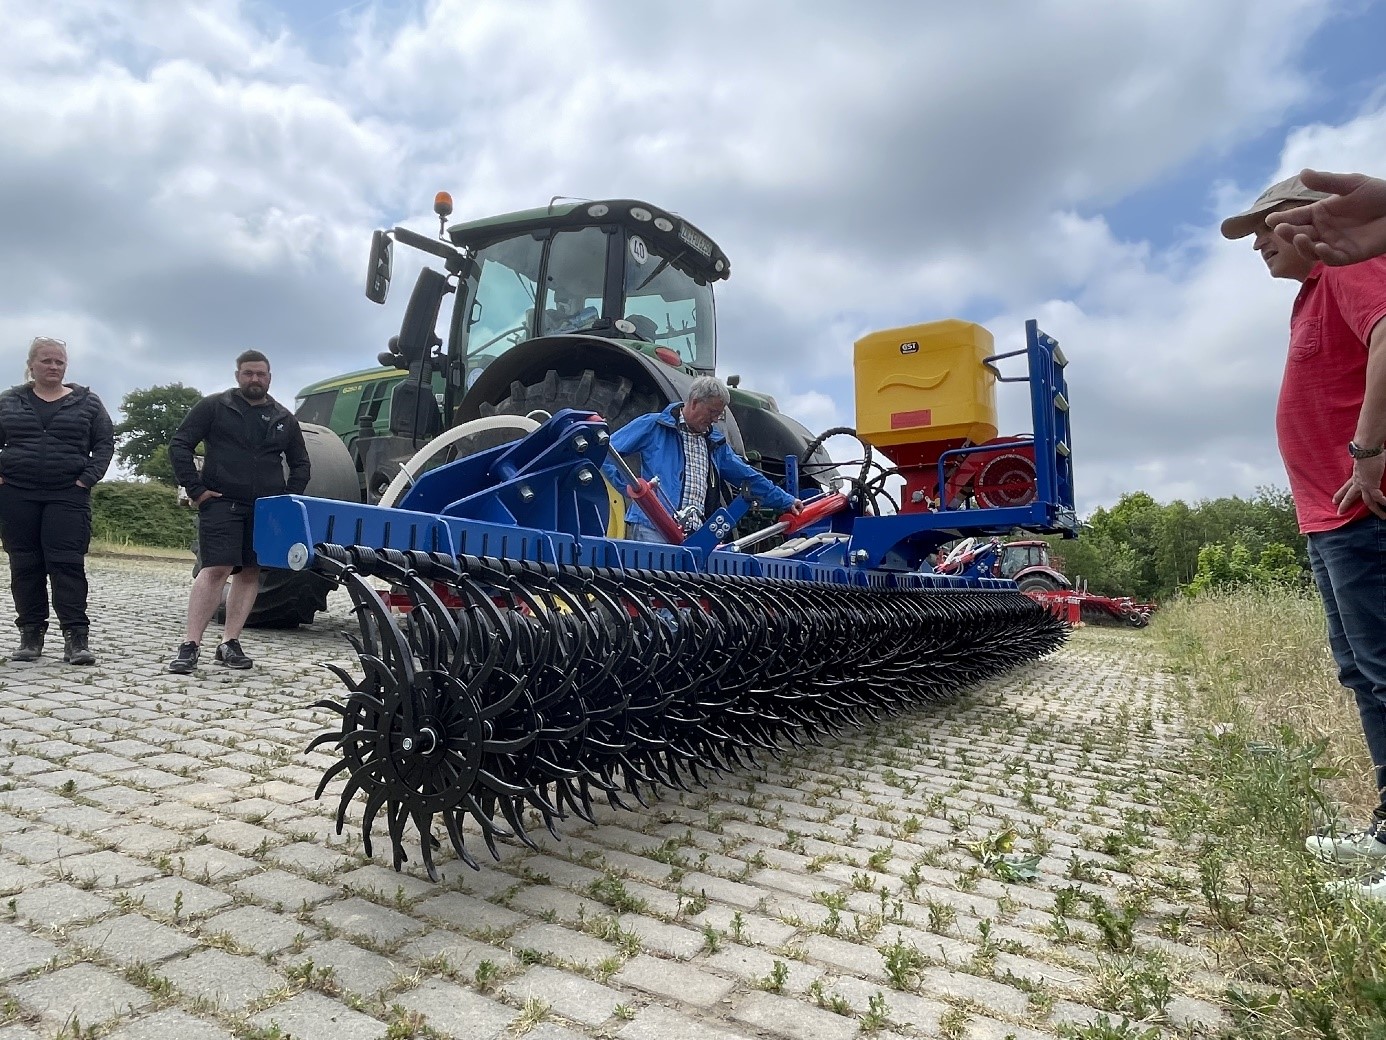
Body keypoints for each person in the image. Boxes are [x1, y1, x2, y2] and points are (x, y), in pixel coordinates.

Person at [1223, 174, 1386, 898]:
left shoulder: (1353, 264)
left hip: (1364, 513)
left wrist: (1369, 452)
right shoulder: (1311, 296)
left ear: (1305, 218)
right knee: (1363, 674)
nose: (1257, 243)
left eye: (1262, 227)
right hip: (1332, 521)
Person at [167, 350, 309, 673]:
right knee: (216, 568)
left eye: (260, 374)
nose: (254, 379)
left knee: (249, 573)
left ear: (270, 378)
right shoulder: (215, 407)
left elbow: (302, 465)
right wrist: (197, 490)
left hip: (264, 511)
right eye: (248, 373)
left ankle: (229, 643)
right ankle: (190, 645)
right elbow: (179, 445)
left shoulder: (284, 418)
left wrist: (286, 501)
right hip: (221, 503)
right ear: (237, 376)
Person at [0, 337, 114, 664]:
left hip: (68, 495)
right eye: (47, 361)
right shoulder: (9, 401)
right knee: (25, 565)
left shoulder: (88, 403)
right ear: (31, 365)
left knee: (66, 565)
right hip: (17, 494)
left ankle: (76, 639)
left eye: (59, 362)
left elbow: (105, 443)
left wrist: (86, 478)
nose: (53, 367)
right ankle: (30, 635)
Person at [601, 376, 802, 543]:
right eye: (713, 412)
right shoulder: (654, 426)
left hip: (694, 535)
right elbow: (607, 451)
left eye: (719, 414)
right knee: (654, 587)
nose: (715, 419)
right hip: (652, 527)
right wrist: (632, 488)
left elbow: (747, 477)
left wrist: (786, 501)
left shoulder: (713, 444)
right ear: (695, 402)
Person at [1268, 170, 1386, 266]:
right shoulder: (1313, 288)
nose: (1256, 245)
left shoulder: (1352, 268)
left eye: (1268, 228)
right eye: (1256, 234)